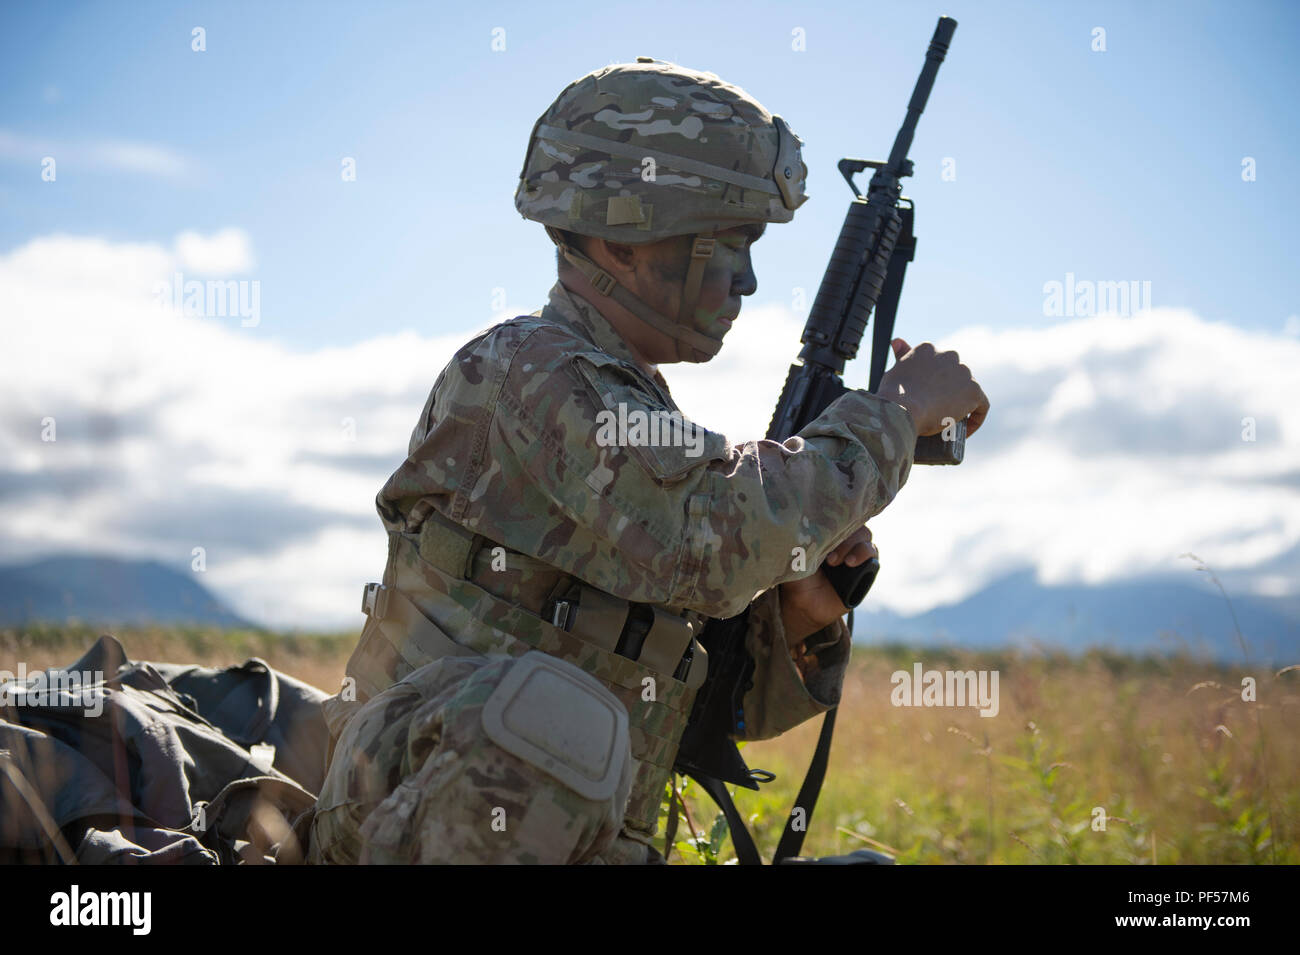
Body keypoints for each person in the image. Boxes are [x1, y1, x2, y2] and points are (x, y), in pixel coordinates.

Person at [308, 57, 988, 865]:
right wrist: (894, 417)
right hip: (416, 823)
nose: (748, 280)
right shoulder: (529, 369)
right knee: (553, 717)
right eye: (728, 242)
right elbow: (709, 541)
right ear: (616, 236)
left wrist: (799, 609)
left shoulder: (639, 412)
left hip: (588, 843)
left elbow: (708, 711)